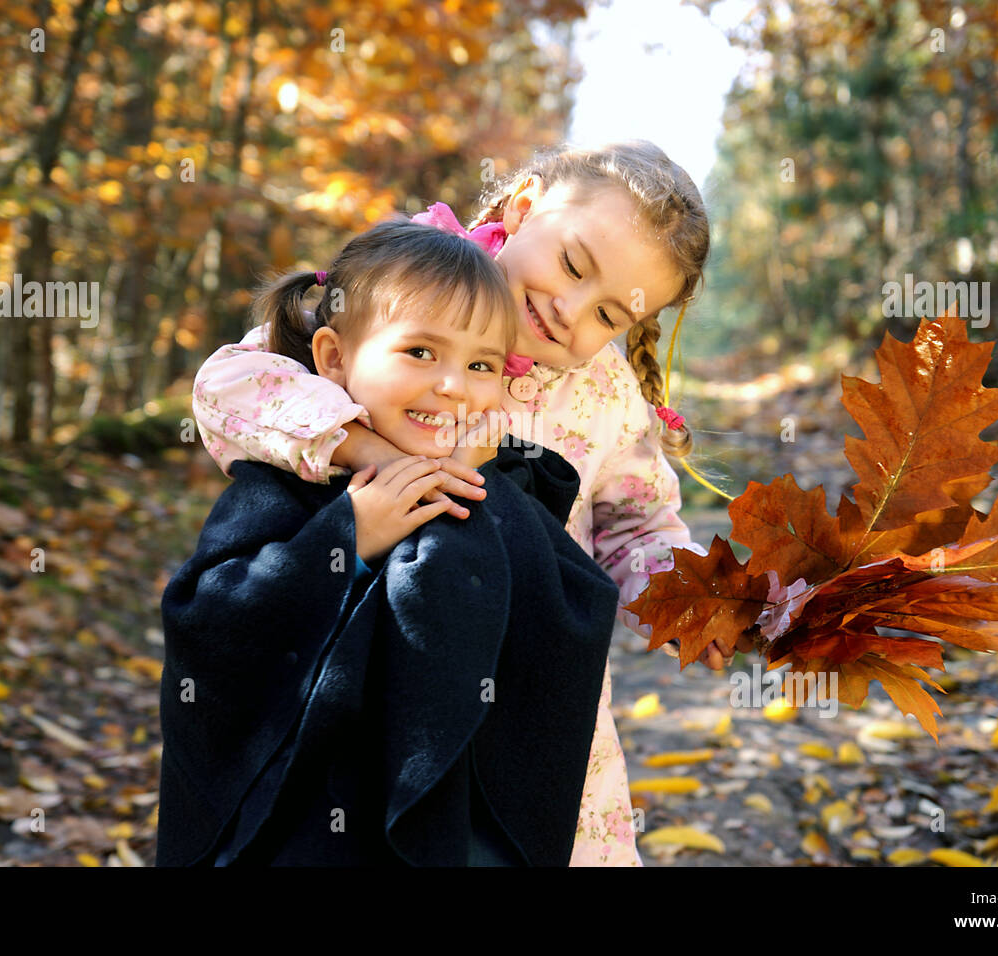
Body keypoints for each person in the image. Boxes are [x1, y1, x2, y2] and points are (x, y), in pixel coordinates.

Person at [189, 141, 730, 866]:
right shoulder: (407, 288)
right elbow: (229, 386)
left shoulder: (605, 394)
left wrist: (686, 596)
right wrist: (369, 451)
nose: (569, 310)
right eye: (573, 266)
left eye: (608, 313)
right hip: (387, 667)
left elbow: (637, 525)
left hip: (533, 685)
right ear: (524, 207)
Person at [157, 219, 619, 866]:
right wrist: (346, 539)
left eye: (480, 365)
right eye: (420, 352)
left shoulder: (500, 491)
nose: (453, 385)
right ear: (333, 357)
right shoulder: (282, 485)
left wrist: (466, 520)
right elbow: (211, 621)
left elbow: (562, 619)